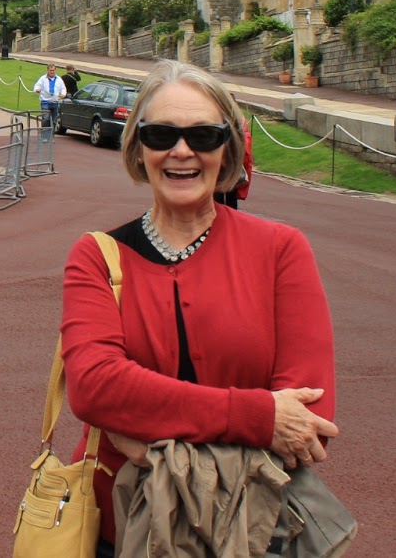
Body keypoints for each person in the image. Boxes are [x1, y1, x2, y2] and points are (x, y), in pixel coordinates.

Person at [60, 60, 338, 556]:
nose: (181, 151)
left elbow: (308, 421)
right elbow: (94, 386)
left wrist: (145, 428)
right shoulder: (96, 254)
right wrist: (258, 416)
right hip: (120, 528)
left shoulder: (281, 250)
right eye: (161, 133)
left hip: (253, 527)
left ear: (227, 146)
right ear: (137, 146)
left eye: (204, 135)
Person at [32, 64, 68, 130]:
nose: (52, 72)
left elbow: (63, 88)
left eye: (53, 70)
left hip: (55, 102)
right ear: (48, 70)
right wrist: (37, 89)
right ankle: (45, 136)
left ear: (55, 70)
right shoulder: (43, 78)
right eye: (50, 70)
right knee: (46, 118)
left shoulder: (59, 79)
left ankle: (51, 136)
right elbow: (37, 85)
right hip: (45, 101)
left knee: (54, 120)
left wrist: (63, 94)